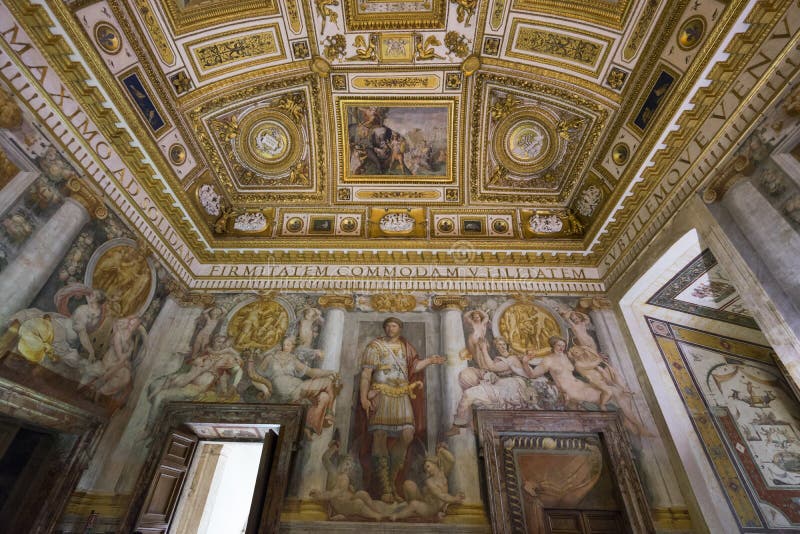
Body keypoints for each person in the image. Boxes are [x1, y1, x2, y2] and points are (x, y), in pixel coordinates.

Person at [358, 317, 444, 503]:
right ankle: (385, 487)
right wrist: (363, 397)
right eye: (387, 325)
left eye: (394, 325)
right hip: (381, 393)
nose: (390, 328)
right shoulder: (375, 346)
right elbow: (366, 374)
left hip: (401, 394)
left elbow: (414, 367)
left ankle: (392, 479)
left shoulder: (407, 347)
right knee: (379, 435)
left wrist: (430, 360)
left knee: (407, 435)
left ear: (400, 328)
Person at [259, 335, 340, 436]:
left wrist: (328, 372)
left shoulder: (293, 360)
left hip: (297, 387)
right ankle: (329, 413)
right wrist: (264, 388)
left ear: (293, 346)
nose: (285, 346)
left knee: (324, 397)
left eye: (288, 344)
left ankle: (310, 427)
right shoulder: (270, 358)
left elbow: (311, 372)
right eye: (284, 344)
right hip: (288, 390)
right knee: (328, 382)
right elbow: (256, 375)